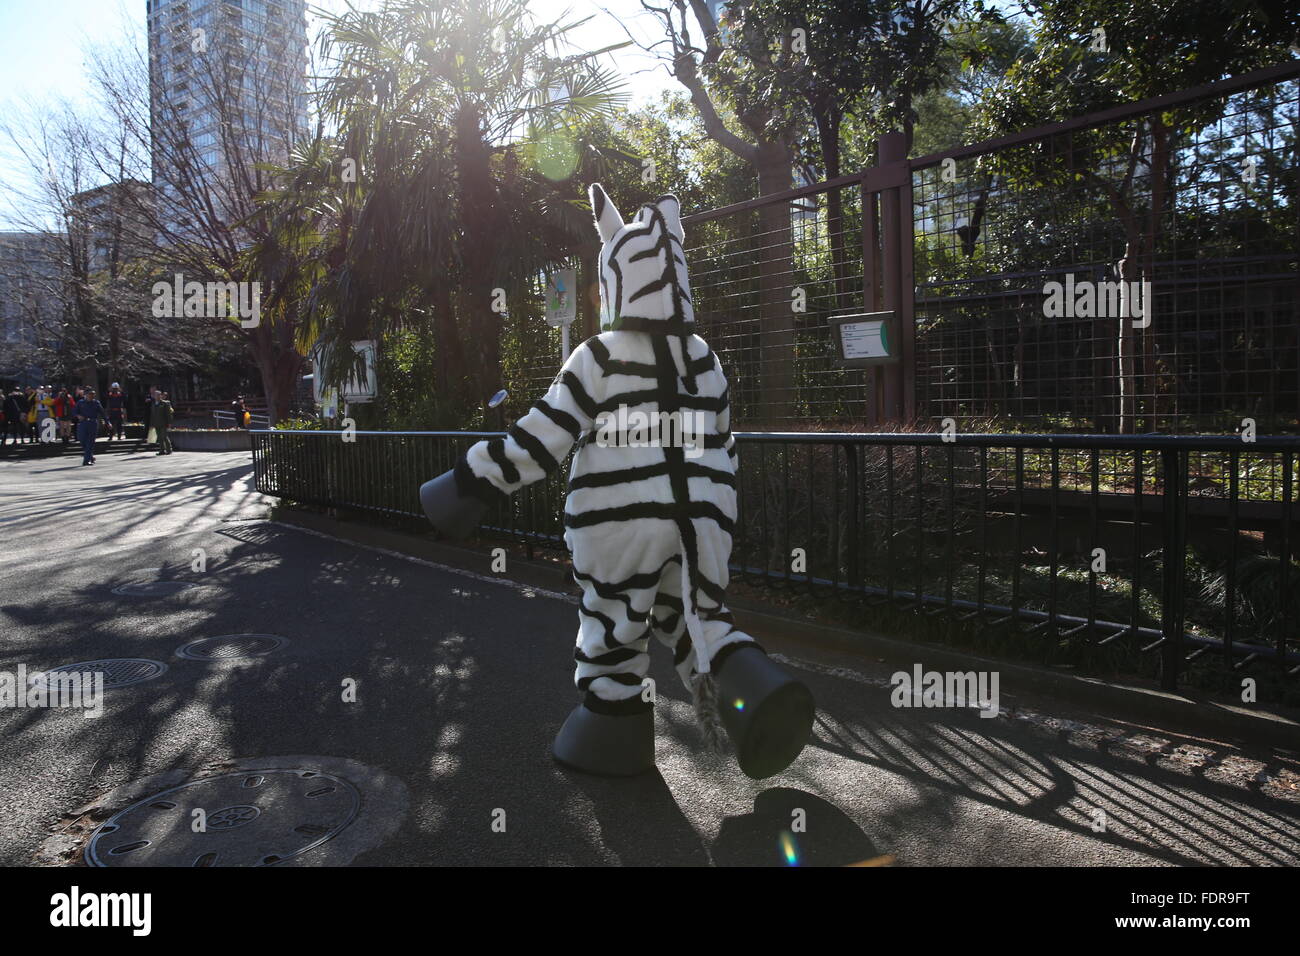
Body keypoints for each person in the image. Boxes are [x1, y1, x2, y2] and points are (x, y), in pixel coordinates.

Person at [420, 185, 814, 781]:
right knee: (695, 617)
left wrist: (468, 482)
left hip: (620, 520)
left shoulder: (599, 355)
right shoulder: (704, 357)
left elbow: (544, 437)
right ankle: (756, 696)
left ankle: (614, 726)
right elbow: (726, 442)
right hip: (705, 519)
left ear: (616, 278)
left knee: (614, 620)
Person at [73, 388, 106, 466]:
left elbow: (102, 413)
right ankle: (90, 456)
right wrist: (78, 415)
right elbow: (74, 411)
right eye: (90, 394)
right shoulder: (80, 403)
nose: (92, 396)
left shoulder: (96, 403)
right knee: (82, 440)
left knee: (90, 442)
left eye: (93, 394)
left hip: (92, 423)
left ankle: (86, 460)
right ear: (86, 395)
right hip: (83, 423)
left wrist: (108, 422)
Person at [151, 390, 175, 455]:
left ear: (160, 395)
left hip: (164, 423)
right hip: (156, 423)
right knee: (159, 437)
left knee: (164, 436)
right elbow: (152, 415)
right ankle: (162, 450)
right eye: (155, 395)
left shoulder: (165, 403)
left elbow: (168, 414)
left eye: (158, 395)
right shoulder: (153, 404)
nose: (157, 396)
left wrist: (169, 423)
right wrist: (152, 424)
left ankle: (169, 449)